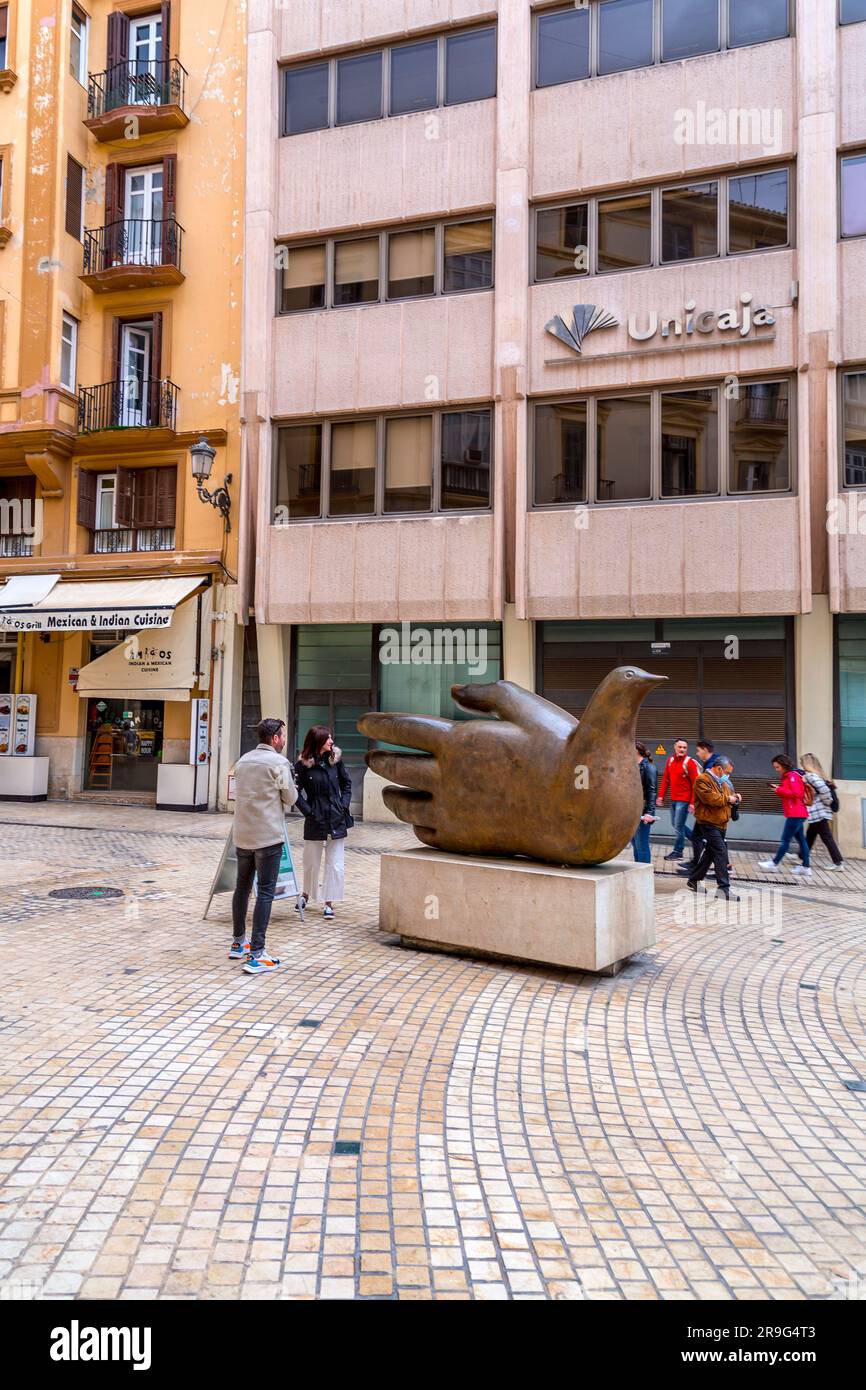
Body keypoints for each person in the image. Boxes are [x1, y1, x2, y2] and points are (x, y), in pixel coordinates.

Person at [231, 717, 302, 975]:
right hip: (268, 837)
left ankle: (239, 942)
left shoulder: (243, 761)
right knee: (265, 893)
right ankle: (257, 954)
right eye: (282, 736)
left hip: (242, 835)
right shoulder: (279, 763)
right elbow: (291, 797)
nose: (284, 740)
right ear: (274, 738)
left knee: (241, 888)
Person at [294, 725, 353, 917]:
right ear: (318, 742)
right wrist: (307, 811)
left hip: (336, 817)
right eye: (327, 738)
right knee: (311, 859)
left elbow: (346, 784)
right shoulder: (303, 764)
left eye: (331, 738)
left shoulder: (335, 760)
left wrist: (343, 805)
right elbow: (295, 790)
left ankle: (329, 901)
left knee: (335, 862)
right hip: (315, 818)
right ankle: (306, 894)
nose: (331, 741)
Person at [686, 753, 740, 900]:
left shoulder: (722, 782)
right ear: (719, 769)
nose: (728, 776)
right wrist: (728, 798)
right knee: (721, 852)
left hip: (721, 823)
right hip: (708, 822)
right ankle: (723, 889)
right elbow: (711, 799)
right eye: (727, 773)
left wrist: (735, 797)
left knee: (710, 853)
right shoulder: (702, 779)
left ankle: (694, 880)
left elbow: (728, 796)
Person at [758, 754, 812, 879]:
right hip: (798, 812)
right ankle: (806, 867)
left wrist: (779, 790)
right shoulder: (791, 775)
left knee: (785, 840)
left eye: (777, 767)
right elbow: (791, 793)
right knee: (801, 840)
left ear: (783, 765)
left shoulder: (792, 776)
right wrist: (779, 789)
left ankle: (774, 863)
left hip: (795, 813)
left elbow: (796, 793)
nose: (776, 769)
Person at [657, 738, 700, 860]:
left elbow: (695, 784)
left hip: (684, 800)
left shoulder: (689, 762)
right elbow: (666, 779)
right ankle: (698, 840)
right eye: (680, 747)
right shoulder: (670, 761)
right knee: (676, 824)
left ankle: (678, 851)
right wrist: (661, 795)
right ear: (674, 747)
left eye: (684, 747)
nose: (682, 749)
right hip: (674, 799)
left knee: (678, 825)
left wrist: (692, 803)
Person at [800, 753, 844, 869]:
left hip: (820, 812)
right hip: (818, 812)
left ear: (806, 764)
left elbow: (824, 790)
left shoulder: (811, 776)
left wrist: (827, 802)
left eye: (802, 762)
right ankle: (801, 855)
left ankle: (838, 862)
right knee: (810, 835)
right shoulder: (818, 775)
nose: (801, 765)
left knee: (826, 837)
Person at [631, 742, 657, 864]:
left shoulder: (649, 767)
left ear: (636, 751)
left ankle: (644, 874)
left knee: (641, 846)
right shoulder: (632, 766)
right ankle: (637, 872)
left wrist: (649, 813)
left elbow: (652, 791)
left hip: (643, 812)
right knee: (635, 845)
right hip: (632, 811)